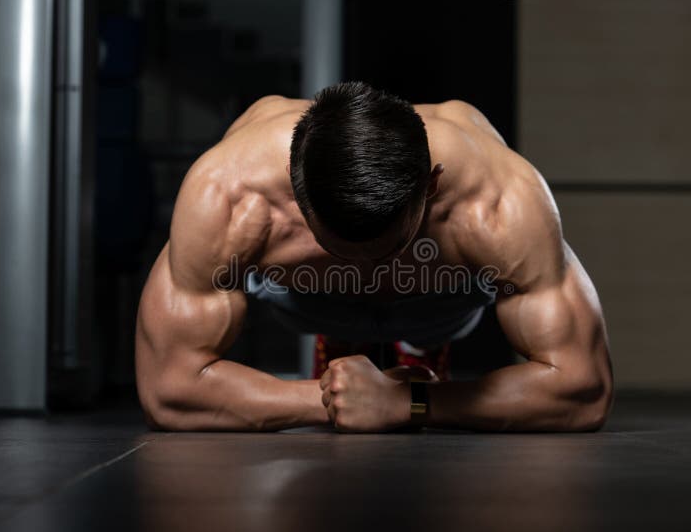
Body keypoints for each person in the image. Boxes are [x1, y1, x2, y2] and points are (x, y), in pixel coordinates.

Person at [134, 82, 613, 432]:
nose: (366, 269)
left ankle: (414, 350)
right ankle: (347, 351)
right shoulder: (230, 192)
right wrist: (330, 399)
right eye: (339, 248)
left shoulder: (498, 200)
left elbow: (584, 390)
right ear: (296, 197)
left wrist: (409, 401)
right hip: (305, 295)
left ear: (432, 186)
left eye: (388, 247)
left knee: (435, 321)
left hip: (440, 298)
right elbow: (169, 390)